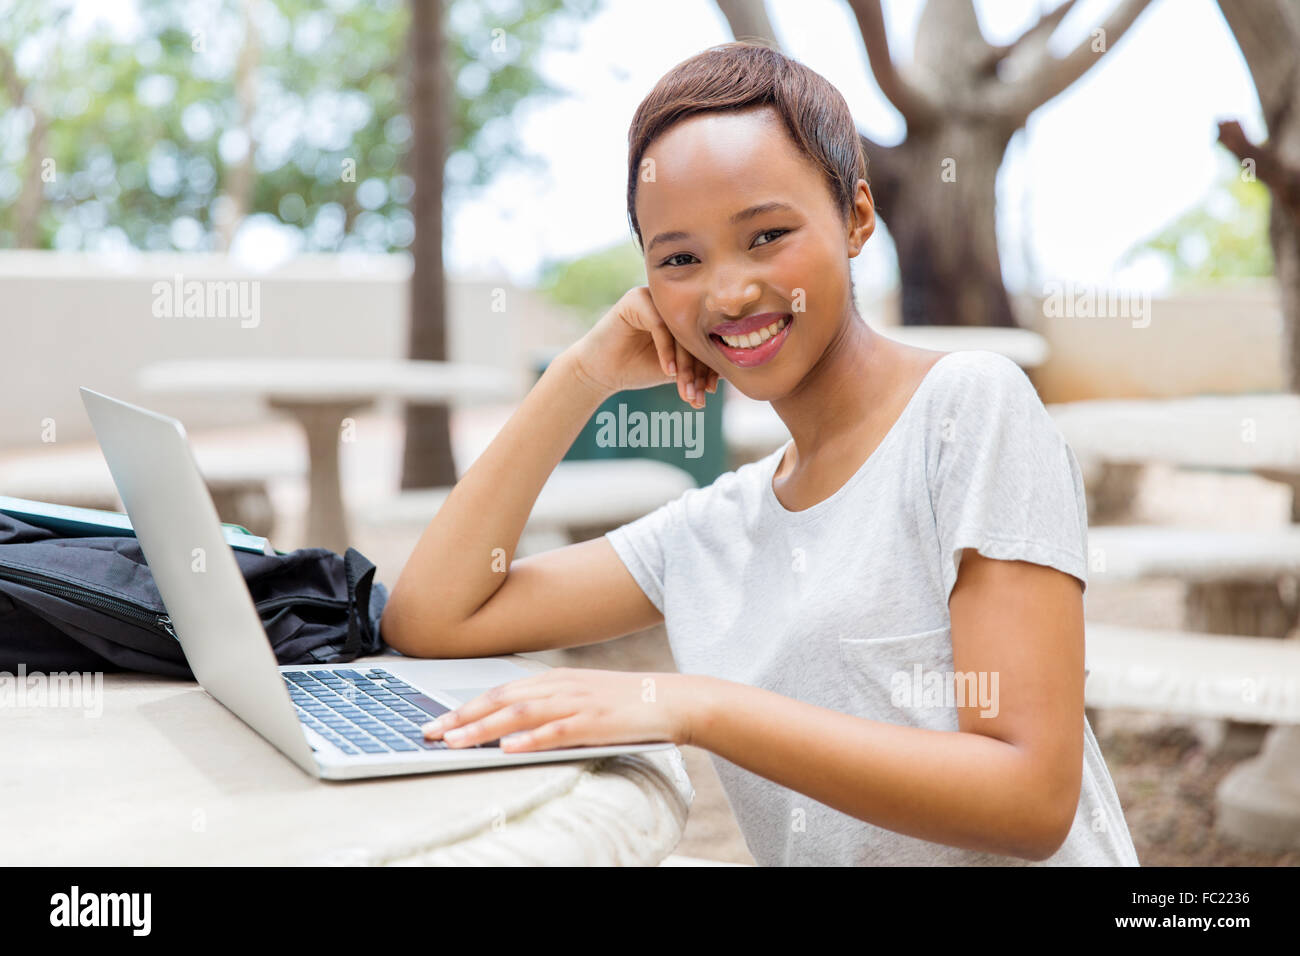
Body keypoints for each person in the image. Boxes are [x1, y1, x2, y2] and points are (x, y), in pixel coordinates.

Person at [381, 40, 1140, 867]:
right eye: (679, 259)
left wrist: (695, 705)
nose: (729, 292)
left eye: (767, 235)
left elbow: (1029, 799)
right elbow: (431, 619)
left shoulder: (967, 410)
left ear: (856, 218)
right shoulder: (719, 526)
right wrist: (580, 375)